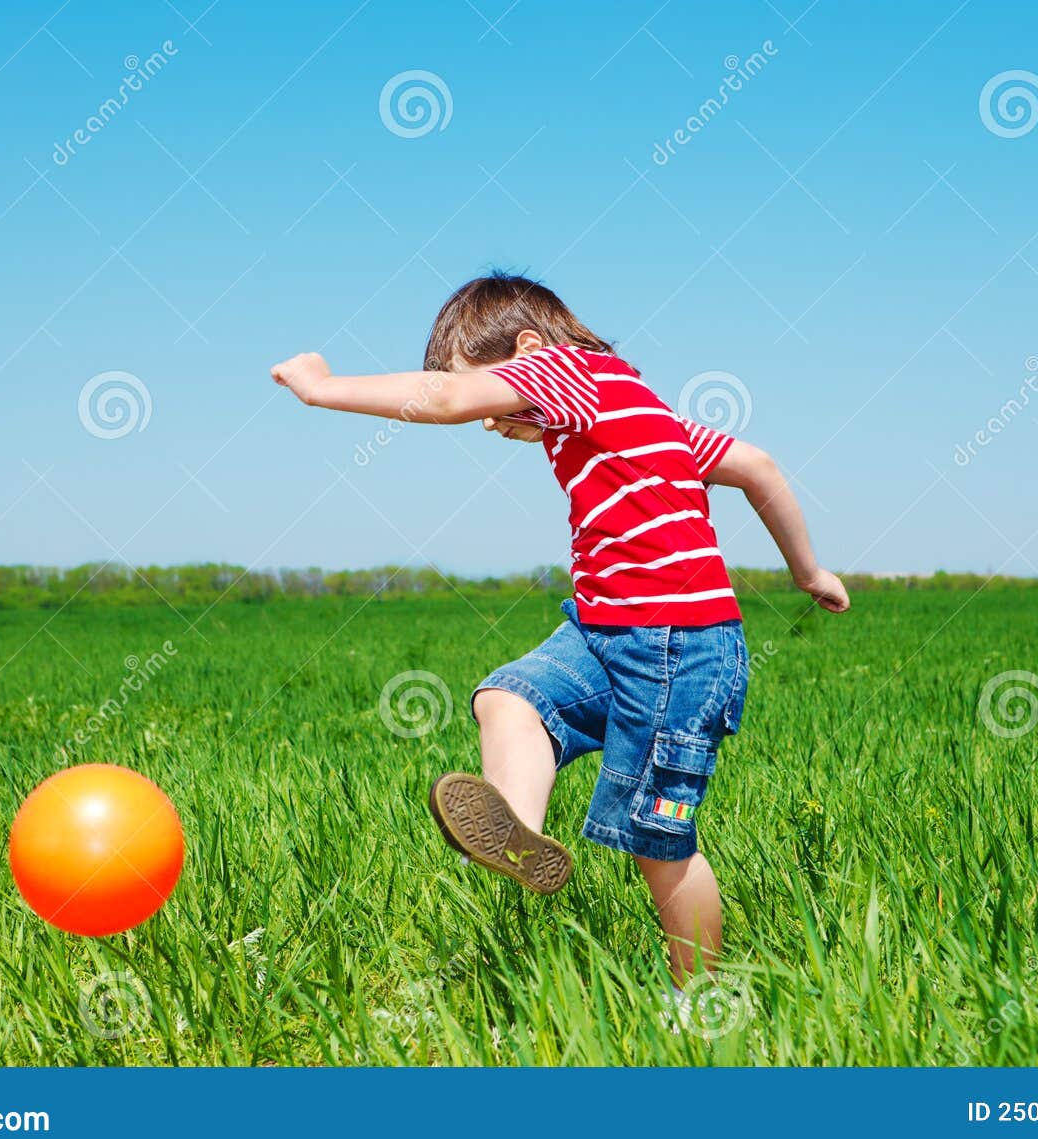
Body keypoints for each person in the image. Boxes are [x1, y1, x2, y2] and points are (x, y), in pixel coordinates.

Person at [272, 273, 849, 983]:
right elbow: (756, 465)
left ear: (529, 349)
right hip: (604, 631)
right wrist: (809, 570)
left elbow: (448, 400)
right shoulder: (641, 412)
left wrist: (321, 387)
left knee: (656, 839)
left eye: (495, 388)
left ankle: (699, 994)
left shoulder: (570, 371)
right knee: (510, 698)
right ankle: (513, 831)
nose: (490, 417)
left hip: (678, 647)